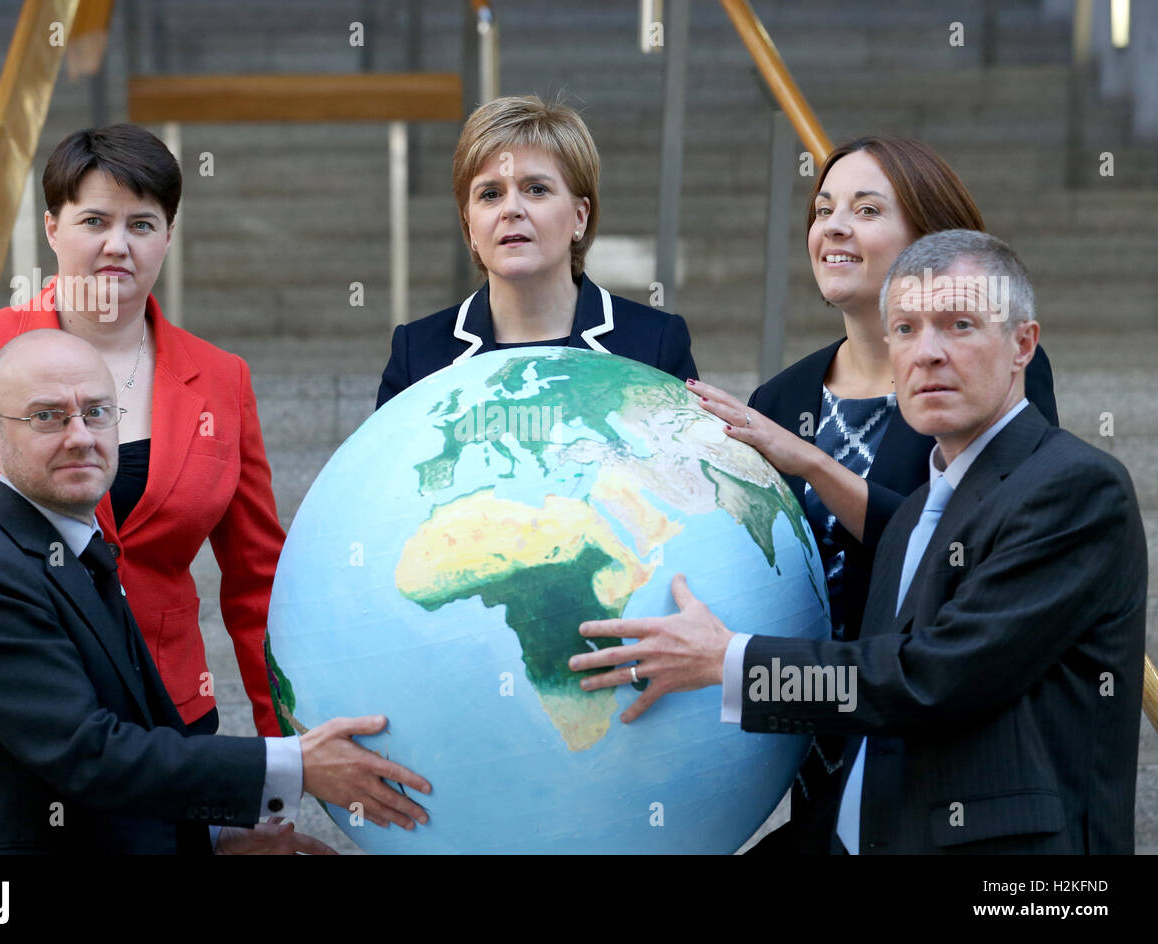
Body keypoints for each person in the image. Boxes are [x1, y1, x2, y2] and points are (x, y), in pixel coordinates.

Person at [571, 231, 1146, 854]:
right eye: (905, 329)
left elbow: (933, 681)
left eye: (958, 325)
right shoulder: (916, 514)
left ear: (1022, 346)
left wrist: (728, 661)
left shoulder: (1074, 487)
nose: (927, 353)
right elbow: (880, 738)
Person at [0, 125, 348, 841]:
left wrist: (281, 768)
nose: (118, 244)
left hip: (169, 727)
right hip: (4, 717)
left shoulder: (220, 379)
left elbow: (258, 586)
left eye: (142, 223)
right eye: (95, 220)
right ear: (52, 228)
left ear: (168, 237)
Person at [0, 331, 432, 853]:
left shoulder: (79, 550)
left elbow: (115, 774)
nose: (80, 436)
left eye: (97, 412)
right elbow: (91, 756)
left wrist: (218, 838)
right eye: (47, 416)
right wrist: (296, 765)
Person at [683, 136, 1058, 853]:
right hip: (812, 751)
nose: (833, 227)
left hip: (925, 748)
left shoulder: (989, 376)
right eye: (823, 209)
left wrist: (813, 465)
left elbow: (969, 554)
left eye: (865, 209)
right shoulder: (783, 395)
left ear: (928, 240)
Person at [376, 95, 696, 408]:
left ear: (580, 217)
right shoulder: (416, 353)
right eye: (490, 194)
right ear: (470, 226)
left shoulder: (655, 343)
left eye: (536, 190)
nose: (511, 209)